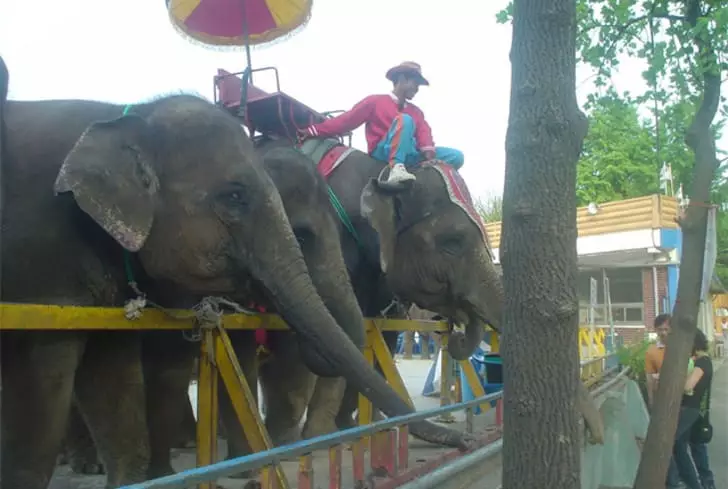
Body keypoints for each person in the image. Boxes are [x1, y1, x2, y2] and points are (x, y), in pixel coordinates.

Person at [298, 61, 464, 185]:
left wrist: (429, 156)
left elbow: (424, 134)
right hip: (383, 151)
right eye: (415, 83)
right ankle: (396, 168)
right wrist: (314, 130)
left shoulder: (416, 111)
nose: (417, 89)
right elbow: (347, 120)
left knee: (456, 156)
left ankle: (423, 174)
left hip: (411, 153)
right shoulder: (375, 101)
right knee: (404, 120)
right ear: (402, 79)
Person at [666, 329, 715, 489]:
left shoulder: (702, 362)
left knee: (673, 442)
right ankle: (693, 483)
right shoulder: (701, 361)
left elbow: (688, 386)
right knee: (680, 445)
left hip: (690, 409)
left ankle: (677, 481)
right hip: (692, 409)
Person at [644, 313, 671, 407]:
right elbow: (649, 377)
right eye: (660, 329)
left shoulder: (680, 348)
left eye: (666, 329)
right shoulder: (651, 351)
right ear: (655, 330)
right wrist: (651, 399)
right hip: (662, 396)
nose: (663, 333)